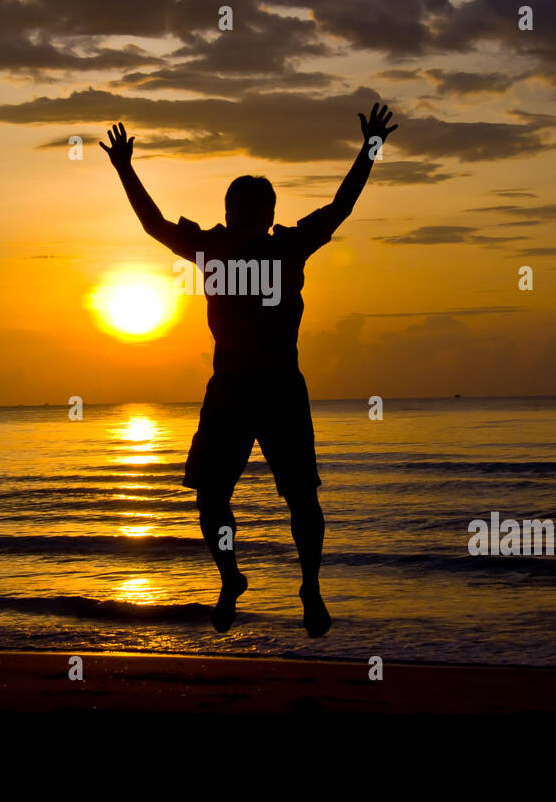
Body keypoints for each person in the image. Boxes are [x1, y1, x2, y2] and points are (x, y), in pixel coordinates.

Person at [100, 104, 397, 637]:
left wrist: (370, 147)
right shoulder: (210, 249)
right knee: (211, 497)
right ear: (230, 213)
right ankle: (231, 575)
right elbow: (154, 225)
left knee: (303, 495)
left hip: (281, 387)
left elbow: (341, 206)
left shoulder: (287, 247)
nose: (247, 220)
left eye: (257, 211)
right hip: (230, 391)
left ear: (268, 214)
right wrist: (124, 169)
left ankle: (310, 587)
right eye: (240, 211)